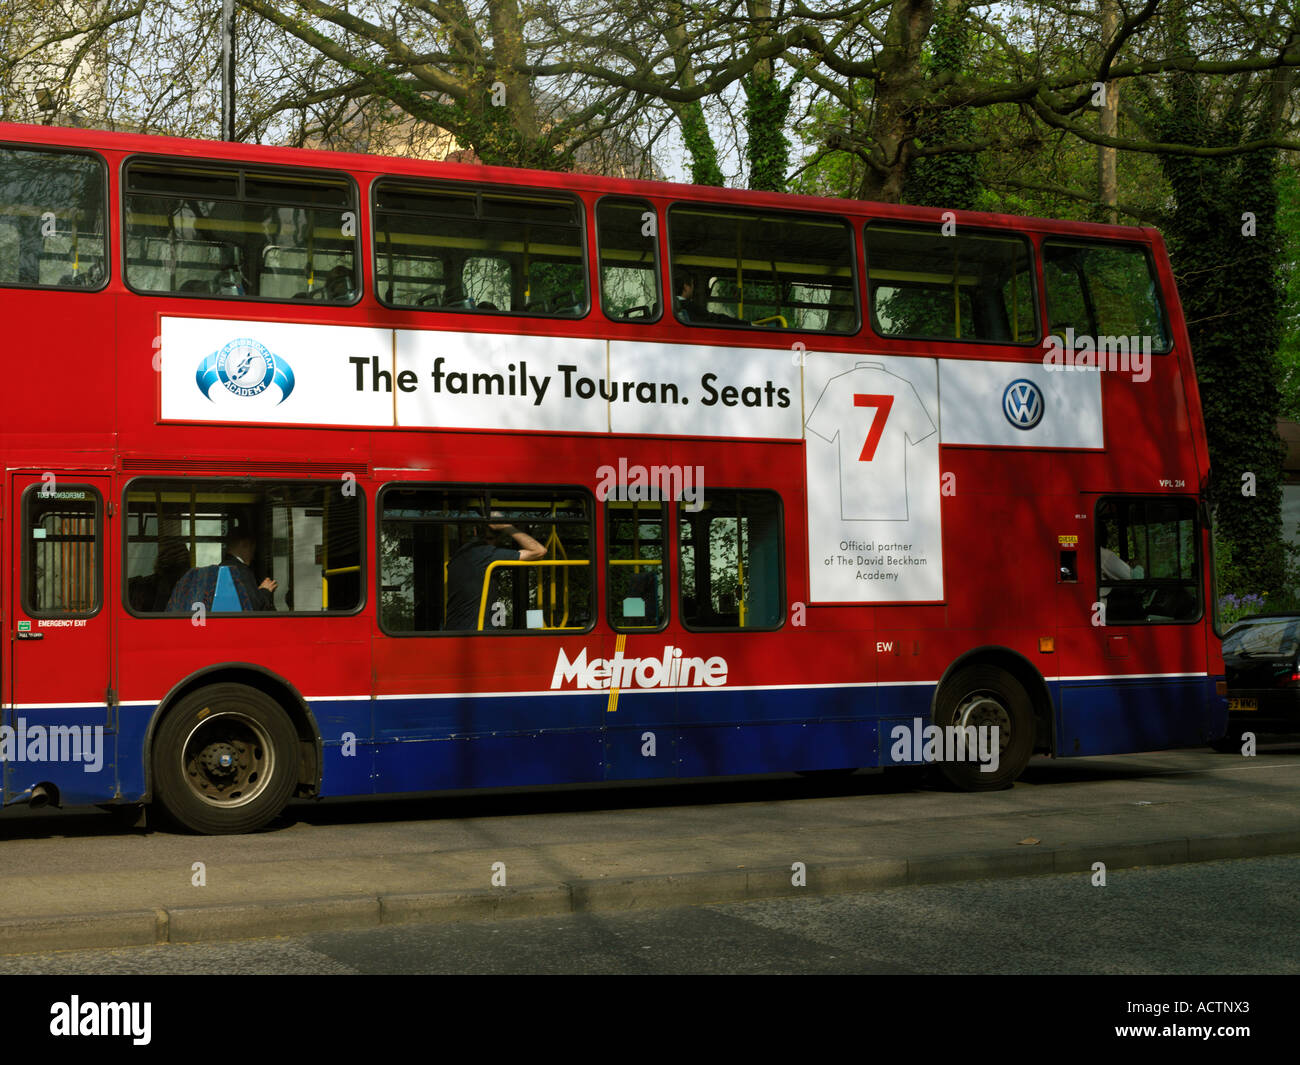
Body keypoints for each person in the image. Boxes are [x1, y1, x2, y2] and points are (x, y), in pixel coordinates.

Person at [444, 517, 546, 630]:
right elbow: (539, 551)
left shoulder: (458, 556)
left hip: (454, 631)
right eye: (493, 538)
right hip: (478, 634)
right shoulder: (485, 554)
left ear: (474, 531)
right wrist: (507, 527)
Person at [166, 529, 277, 612]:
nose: (253, 555)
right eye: (252, 548)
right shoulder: (241, 572)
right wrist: (264, 591)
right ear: (245, 545)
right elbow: (250, 608)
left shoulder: (219, 570)